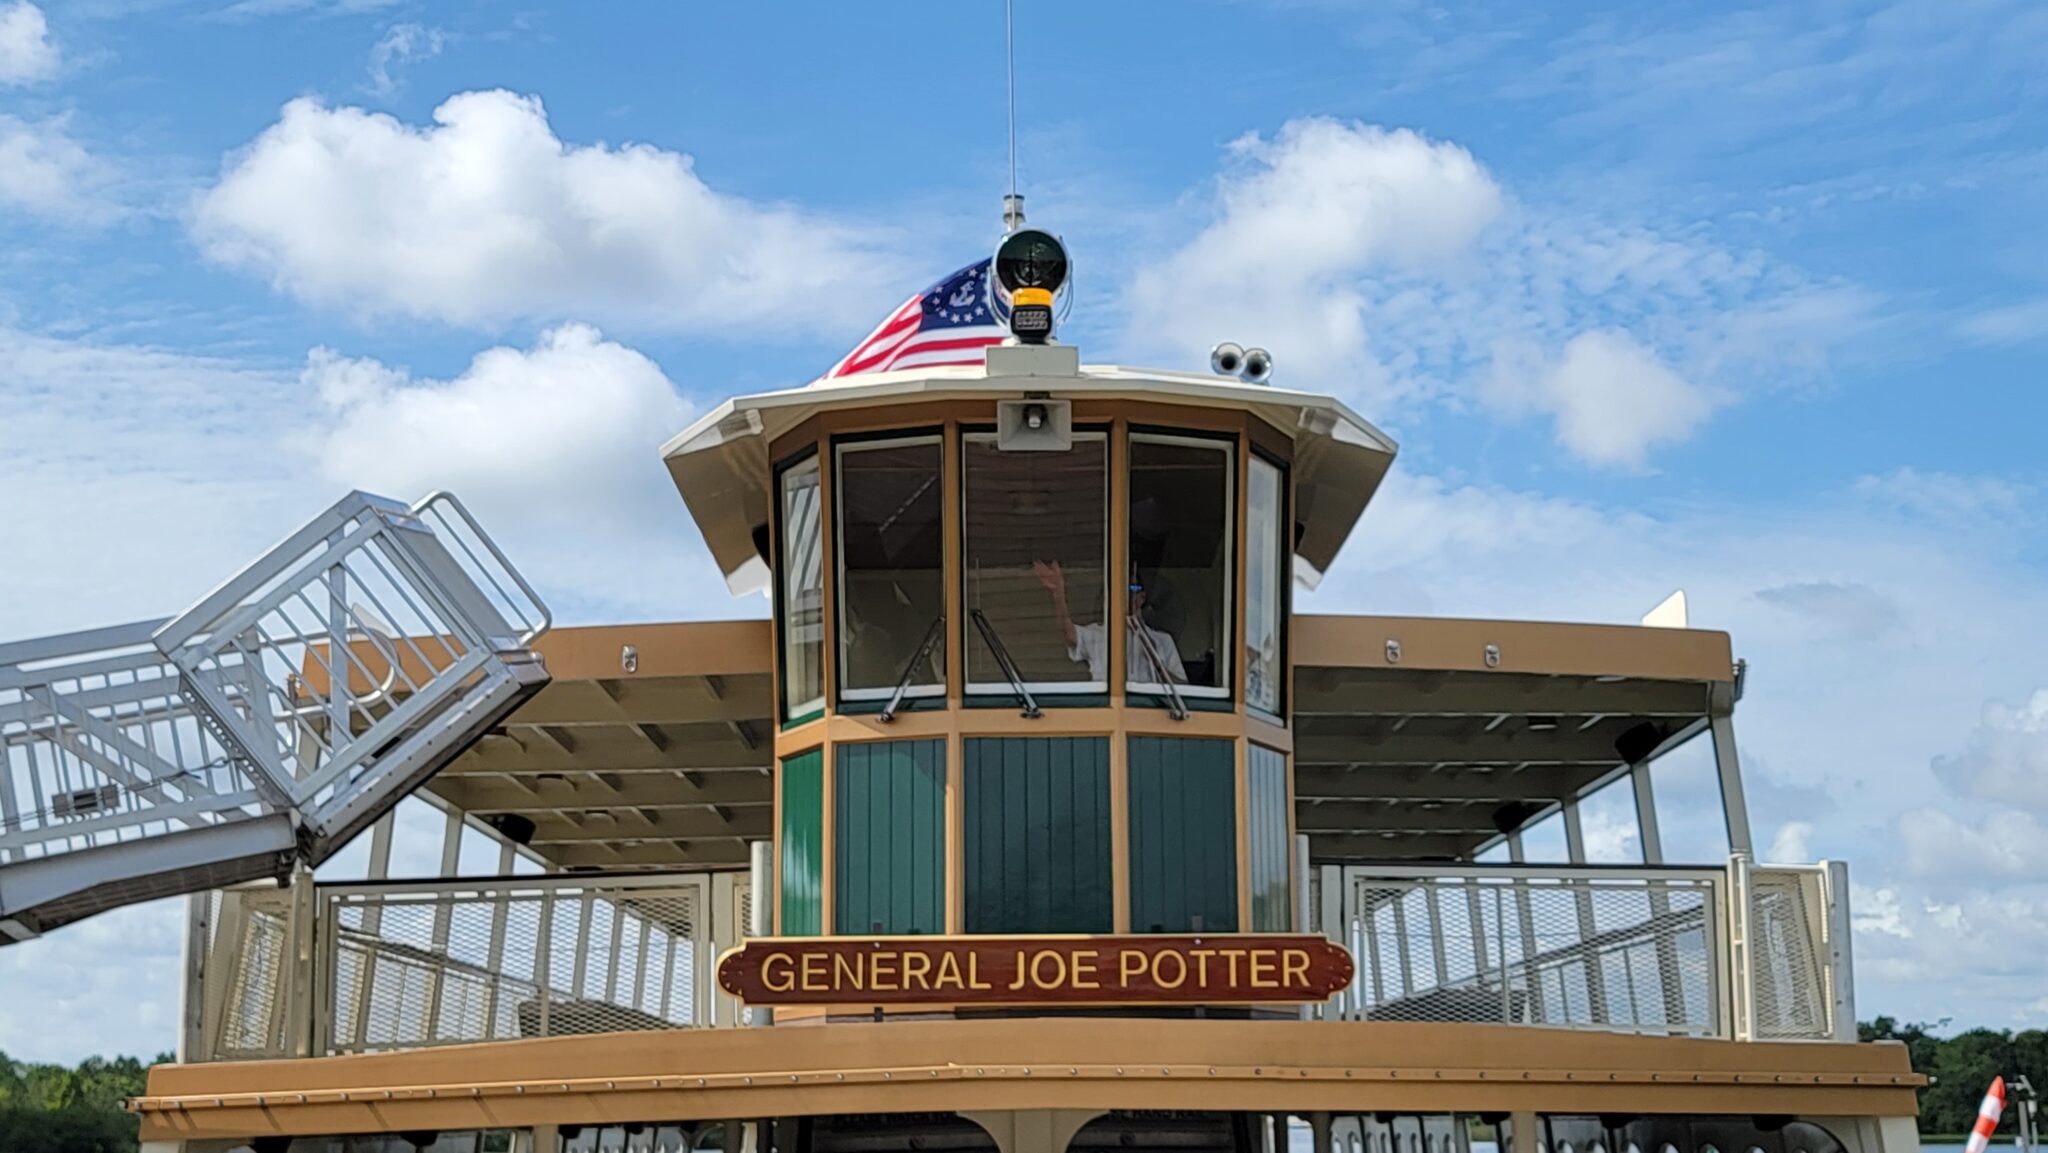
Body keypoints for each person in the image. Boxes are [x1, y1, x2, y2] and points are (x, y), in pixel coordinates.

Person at [1030, 560, 1187, 685]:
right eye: (1122, 589)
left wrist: (1156, 661)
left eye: (1133, 587)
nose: (1128, 594)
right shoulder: (1099, 635)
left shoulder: (1163, 641)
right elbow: (1069, 635)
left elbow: (1182, 688)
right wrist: (1058, 594)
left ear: (1142, 597)